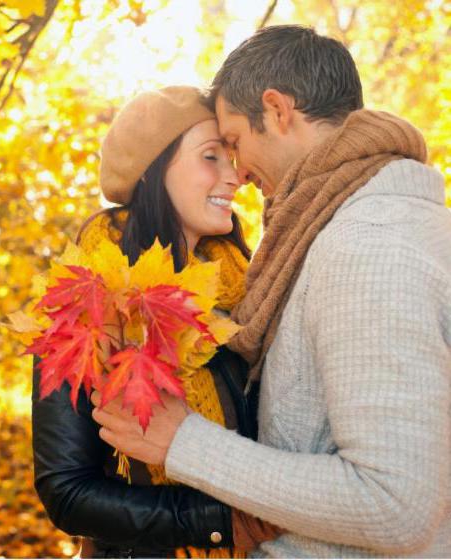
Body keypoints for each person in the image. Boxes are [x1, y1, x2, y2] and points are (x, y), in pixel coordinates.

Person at [91, 25, 451, 557]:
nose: (239, 173)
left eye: (234, 143)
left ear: (278, 110)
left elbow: (393, 505)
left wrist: (184, 442)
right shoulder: (353, 227)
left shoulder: (370, 248)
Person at [32, 86, 280, 558]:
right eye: (211, 157)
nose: (234, 176)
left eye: (231, 156)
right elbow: (67, 492)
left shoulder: (247, 294)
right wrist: (219, 521)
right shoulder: (90, 307)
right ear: (152, 172)